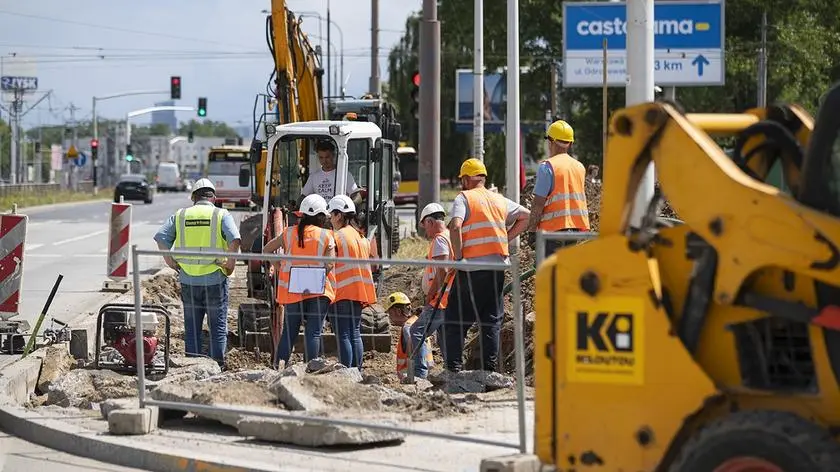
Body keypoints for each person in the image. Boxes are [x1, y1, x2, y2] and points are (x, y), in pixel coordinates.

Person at [444, 158, 530, 373]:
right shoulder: (498, 199)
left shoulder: (464, 198)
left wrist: (458, 257)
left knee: (455, 320)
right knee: (490, 321)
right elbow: (526, 216)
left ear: (466, 179)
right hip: (496, 269)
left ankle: (454, 370)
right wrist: (506, 238)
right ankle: (489, 371)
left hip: (470, 269)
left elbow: (455, 226)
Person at [153, 178, 241, 367]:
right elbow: (235, 239)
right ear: (213, 198)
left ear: (193, 197)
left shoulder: (181, 215)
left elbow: (161, 237)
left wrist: (170, 261)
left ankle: (192, 366)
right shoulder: (221, 214)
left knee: (192, 329)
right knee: (217, 328)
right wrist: (230, 264)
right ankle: (217, 366)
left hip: (189, 281)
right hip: (215, 280)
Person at [263, 193, 336, 368]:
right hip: (318, 290)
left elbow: (266, 250)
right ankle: (310, 368)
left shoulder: (289, 233)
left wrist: (279, 267)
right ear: (320, 216)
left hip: (293, 290)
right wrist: (315, 276)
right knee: (313, 332)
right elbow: (330, 264)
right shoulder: (326, 235)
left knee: (289, 331)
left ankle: (279, 366)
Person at [528, 119, 590, 258]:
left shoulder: (547, 167)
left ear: (551, 142)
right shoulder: (579, 167)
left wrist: (532, 231)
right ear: (570, 143)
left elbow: (538, 203)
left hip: (552, 232)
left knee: (548, 269)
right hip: (574, 231)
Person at [327, 194, 376, 369]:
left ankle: (346, 372)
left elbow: (330, 263)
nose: (330, 219)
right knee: (354, 333)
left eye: (331, 215)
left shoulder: (337, 237)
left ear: (339, 215)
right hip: (359, 291)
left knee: (343, 334)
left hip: (341, 291)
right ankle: (357, 371)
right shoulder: (361, 237)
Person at [408, 202, 453, 375]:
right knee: (444, 337)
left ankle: (420, 373)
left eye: (425, 226)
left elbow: (442, 271)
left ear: (430, 222)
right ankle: (452, 371)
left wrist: (431, 294)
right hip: (449, 298)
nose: (425, 232)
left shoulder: (440, 239)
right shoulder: (449, 236)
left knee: (416, 331)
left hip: (440, 299)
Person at [385, 292, 434, 381]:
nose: (390, 317)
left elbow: (414, 352)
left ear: (398, 311)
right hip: (427, 373)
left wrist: (412, 378)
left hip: (415, 375)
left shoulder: (408, 327)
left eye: (390, 313)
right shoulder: (417, 322)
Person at [299, 139, 359, 203]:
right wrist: (298, 205)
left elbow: (356, 195)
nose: (324, 161)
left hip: (338, 208)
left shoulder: (344, 175)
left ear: (333, 155)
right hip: (320, 208)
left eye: (327, 157)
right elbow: (303, 196)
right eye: (321, 157)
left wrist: (352, 205)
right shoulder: (313, 176)